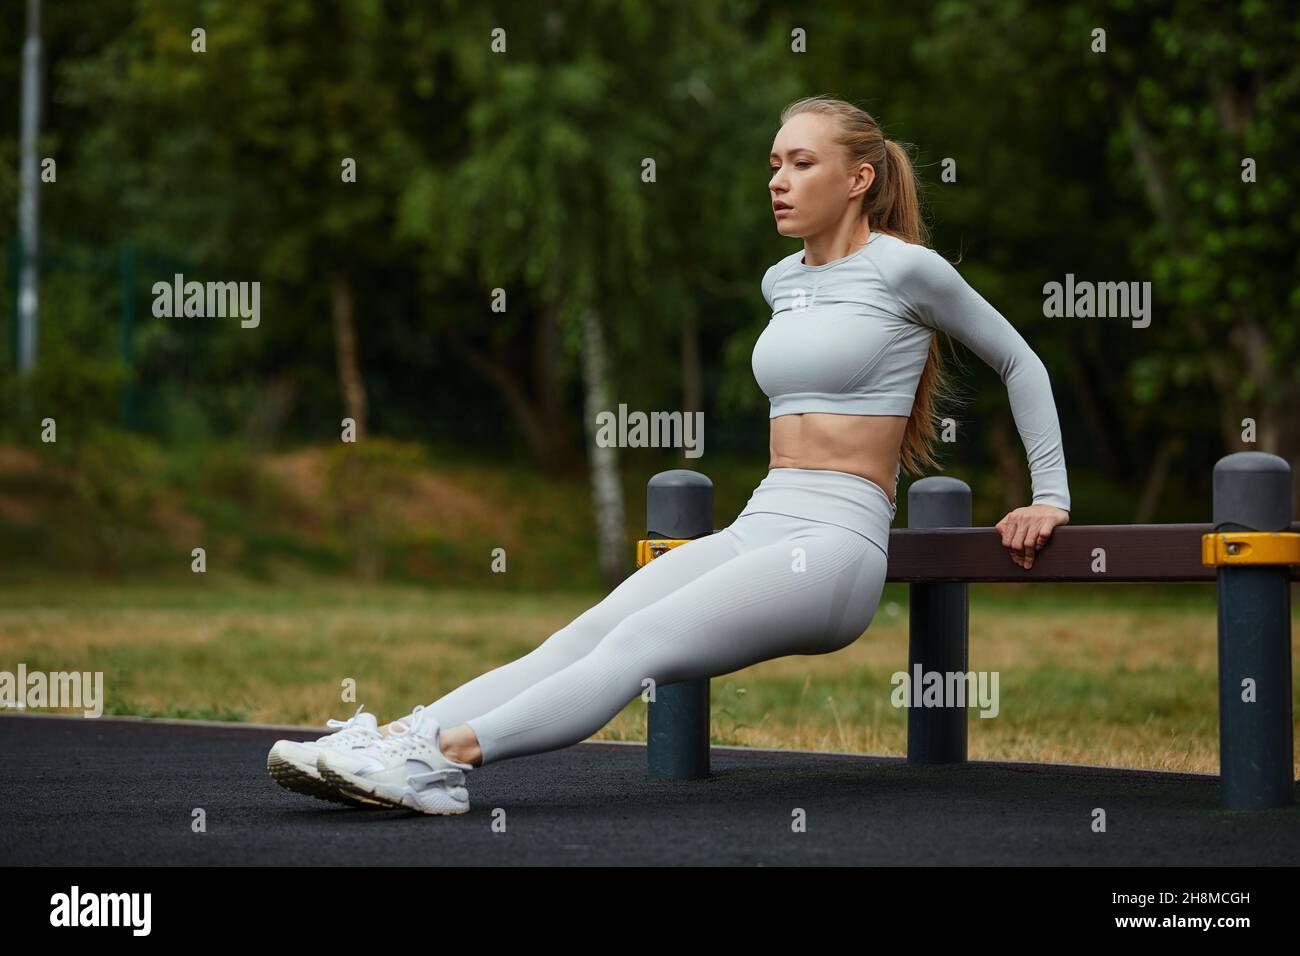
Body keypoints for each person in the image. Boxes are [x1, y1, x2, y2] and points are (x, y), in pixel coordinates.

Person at [267, 94, 1072, 815]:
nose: (778, 180)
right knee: (580, 635)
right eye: (773, 164)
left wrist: (1050, 495)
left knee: (636, 648)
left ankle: (439, 760)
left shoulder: (906, 268)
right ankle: (402, 738)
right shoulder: (780, 282)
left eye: (801, 162)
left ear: (859, 178)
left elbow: (1019, 362)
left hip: (835, 548)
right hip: (764, 522)